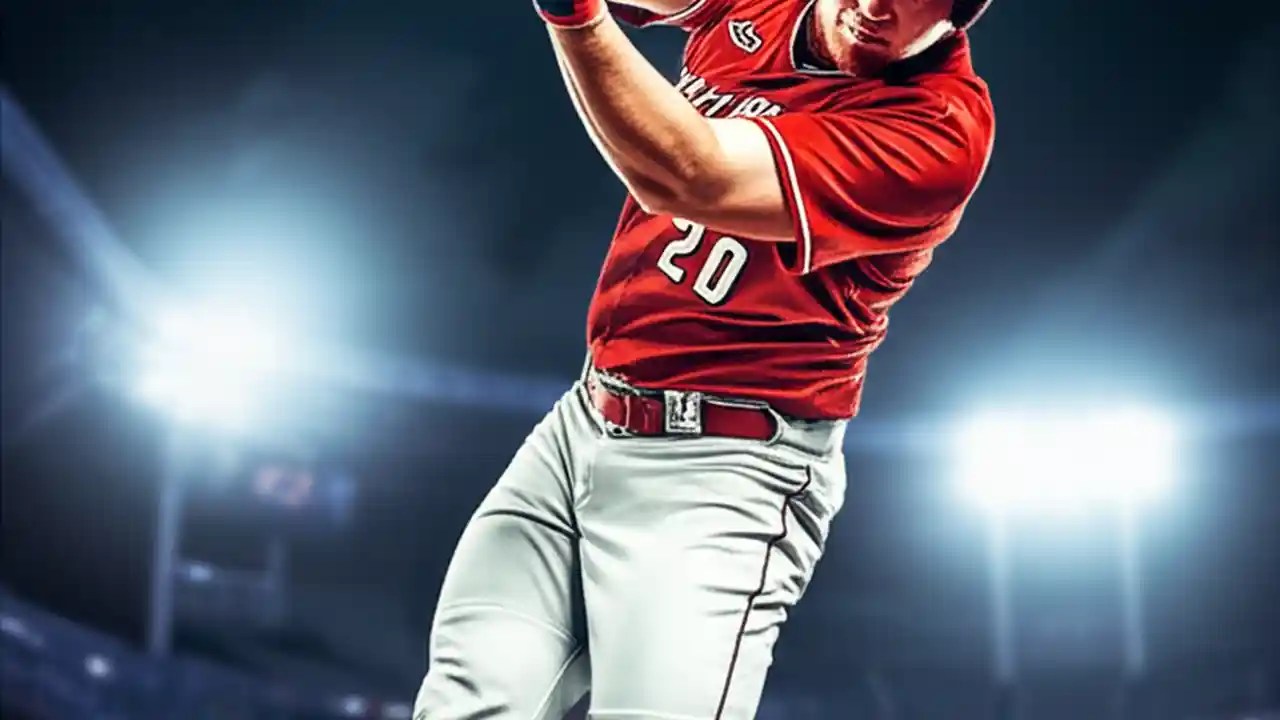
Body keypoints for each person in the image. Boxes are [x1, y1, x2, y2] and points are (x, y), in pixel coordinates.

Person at [413, 0, 995, 717]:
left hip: (725, 473)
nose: (878, 5)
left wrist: (574, 18)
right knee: (467, 705)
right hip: (583, 426)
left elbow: (693, 175)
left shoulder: (937, 129)